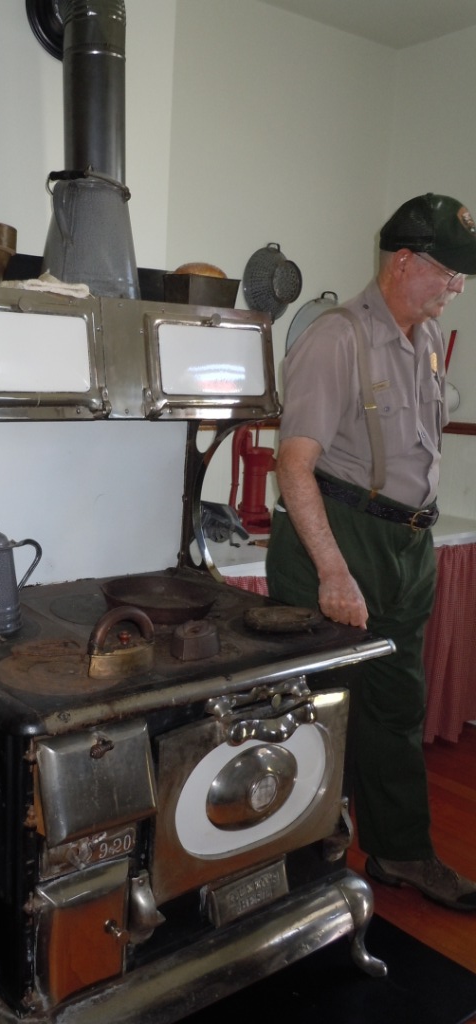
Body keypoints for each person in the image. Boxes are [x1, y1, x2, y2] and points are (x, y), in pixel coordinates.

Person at [266, 193, 476, 911]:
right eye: (448, 272)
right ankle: (295, 869)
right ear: (405, 262)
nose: (457, 287)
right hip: (340, 538)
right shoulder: (337, 338)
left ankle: (400, 852)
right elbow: (294, 466)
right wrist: (332, 570)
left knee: (395, 707)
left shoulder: (424, 341)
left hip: (406, 545)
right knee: (315, 712)